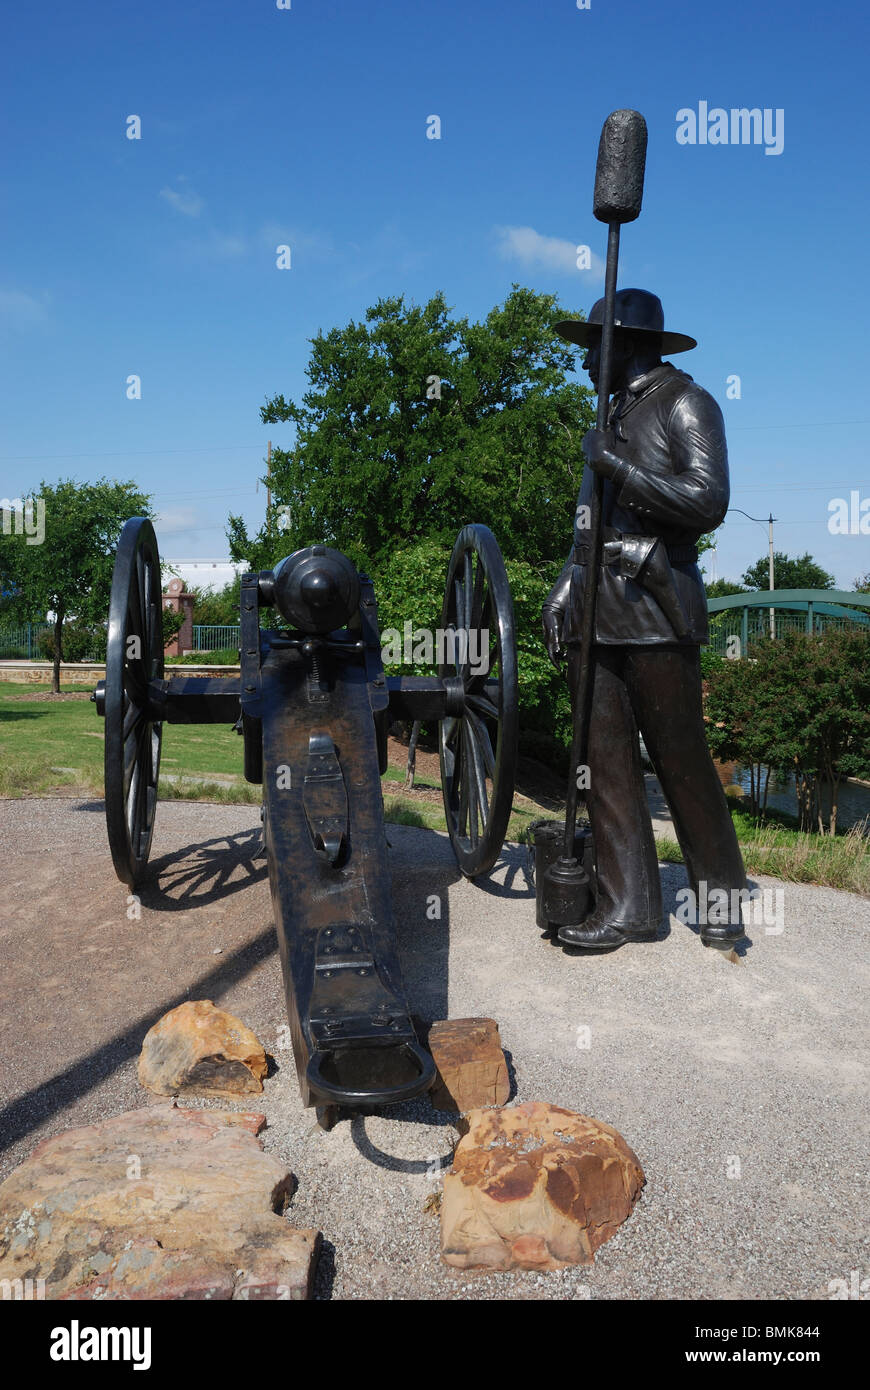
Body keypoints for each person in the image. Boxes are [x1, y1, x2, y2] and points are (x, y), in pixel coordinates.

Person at [542, 288, 746, 951]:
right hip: (594, 607)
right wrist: (566, 582)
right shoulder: (609, 414)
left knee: (680, 759)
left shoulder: (687, 402)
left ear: (624, 345)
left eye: (590, 350)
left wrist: (619, 467)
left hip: (655, 605)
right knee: (603, 763)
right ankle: (629, 907)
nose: (581, 364)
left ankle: (721, 900)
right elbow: (586, 523)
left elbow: (707, 500)